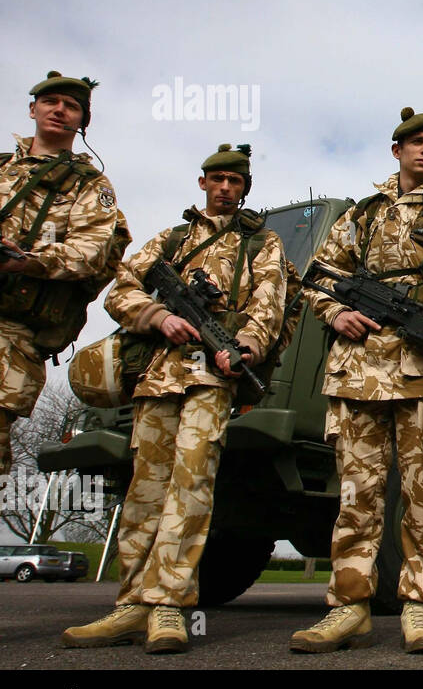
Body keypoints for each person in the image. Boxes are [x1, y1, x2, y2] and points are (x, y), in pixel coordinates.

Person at [62, 143, 287, 654]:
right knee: (146, 488)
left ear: (245, 189)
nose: (226, 188)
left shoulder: (262, 243)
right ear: (203, 183)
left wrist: (244, 349)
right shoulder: (171, 238)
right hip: (156, 377)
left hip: (211, 379)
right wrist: (157, 316)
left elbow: (268, 305)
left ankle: (168, 605)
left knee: (191, 484)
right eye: (218, 179)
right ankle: (130, 603)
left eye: (236, 181)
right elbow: (120, 288)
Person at [290, 107, 423, 654]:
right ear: (397, 150)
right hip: (358, 370)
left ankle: (420, 606)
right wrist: (334, 314)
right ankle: (349, 607)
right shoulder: (361, 216)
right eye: (417, 143)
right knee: (356, 496)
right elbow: (319, 277)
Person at [0, 71, 128, 477]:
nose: (59, 110)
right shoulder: (3, 169)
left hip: (13, 334)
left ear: (82, 122)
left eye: (71, 106)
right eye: (51, 101)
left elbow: (90, 254)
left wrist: (24, 260)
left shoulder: (90, 186)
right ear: (32, 108)